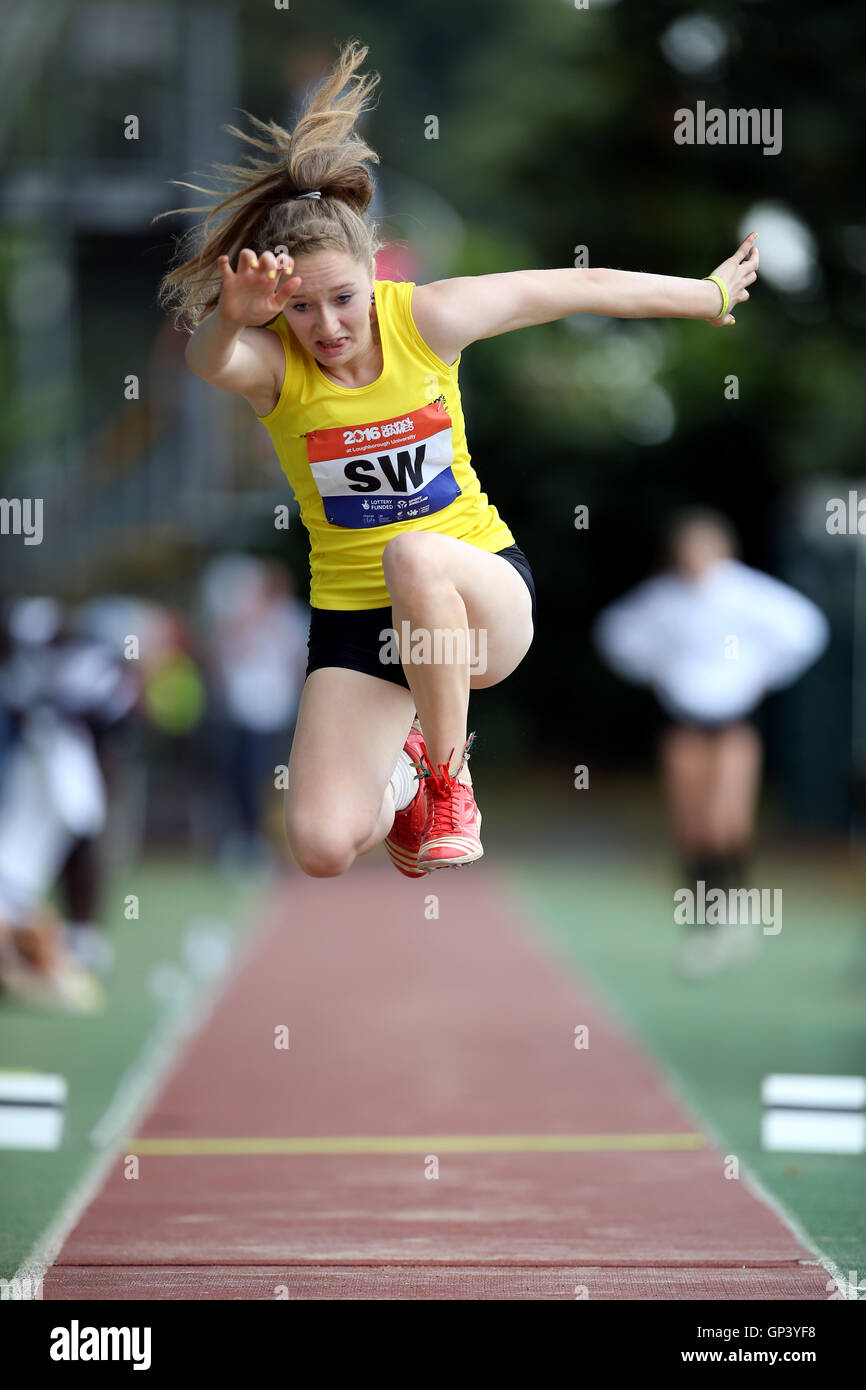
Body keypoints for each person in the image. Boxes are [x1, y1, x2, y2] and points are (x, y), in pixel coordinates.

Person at [157, 40, 759, 881]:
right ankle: (407, 780)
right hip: (359, 624)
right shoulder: (275, 367)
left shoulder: (427, 319)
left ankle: (448, 780)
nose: (328, 326)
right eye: (301, 309)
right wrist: (231, 317)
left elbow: (573, 288)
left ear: (376, 275)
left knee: (413, 552)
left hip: (478, 598)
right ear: (279, 308)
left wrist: (710, 295)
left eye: (343, 299)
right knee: (325, 846)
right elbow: (208, 363)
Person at [593, 508, 829, 974]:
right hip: (685, 722)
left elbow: (805, 628)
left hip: (733, 722)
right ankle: (702, 926)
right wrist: (658, 671)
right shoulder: (664, 598)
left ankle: (734, 916)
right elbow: (617, 633)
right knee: (691, 828)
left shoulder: (747, 594)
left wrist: (765, 673)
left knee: (728, 823)